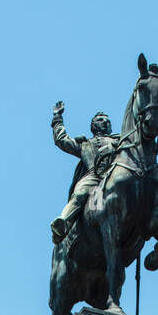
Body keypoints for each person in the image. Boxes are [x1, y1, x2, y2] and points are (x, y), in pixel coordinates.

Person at [50, 102, 120, 244]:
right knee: (80, 193)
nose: (105, 122)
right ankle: (63, 222)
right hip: (93, 177)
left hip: (116, 175)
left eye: (107, 121)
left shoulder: (120, 140)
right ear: (93, 125)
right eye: (100, 120)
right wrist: (57, 118)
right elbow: (61, 140)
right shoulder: (84, 144)